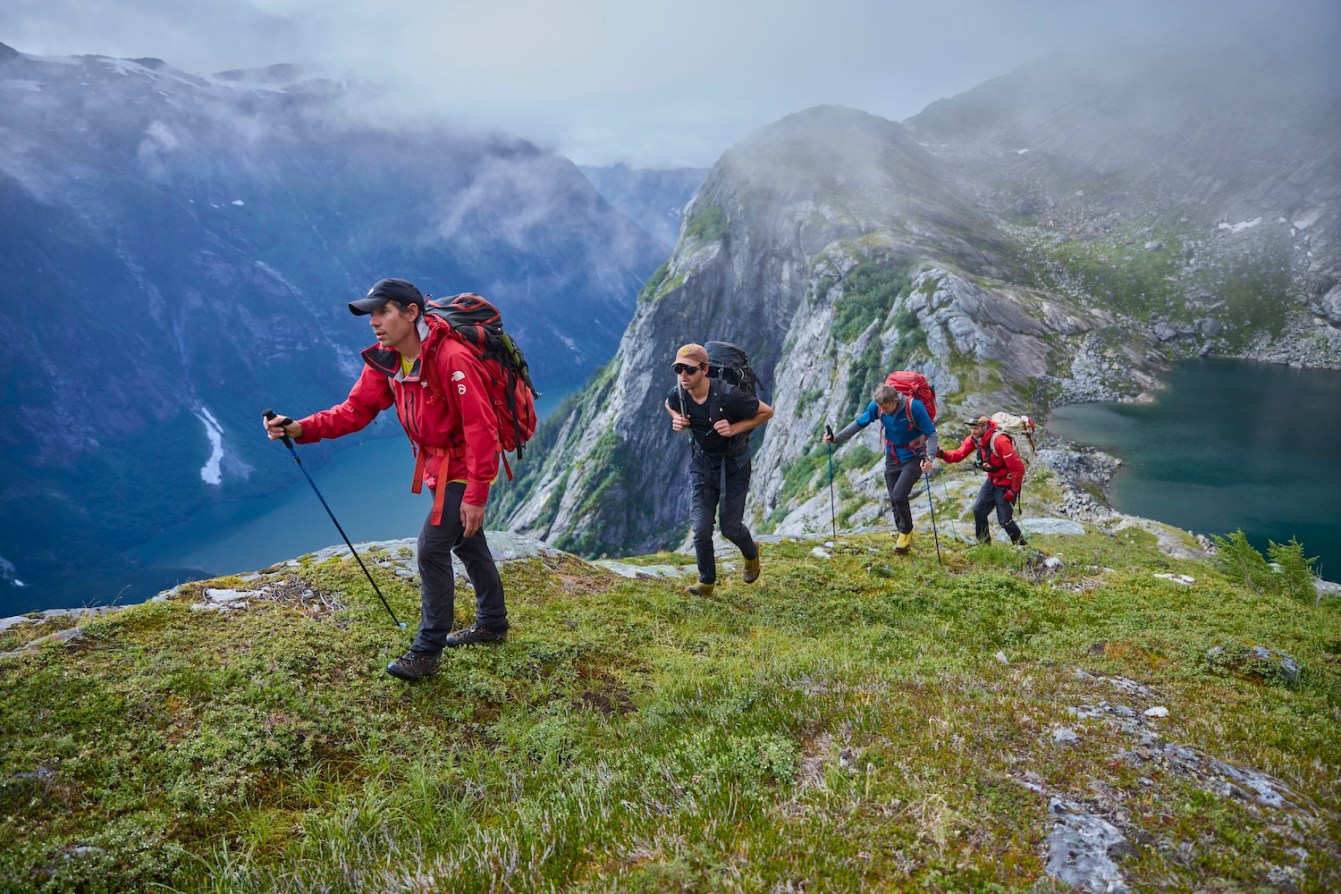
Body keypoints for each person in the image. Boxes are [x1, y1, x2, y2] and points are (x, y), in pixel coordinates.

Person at [265, 277, 508, 681]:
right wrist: (300, 429)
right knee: (467, 542)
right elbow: (354, 411)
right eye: (371, 314)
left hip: (466, 467)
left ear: (411, 313)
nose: (374, 322)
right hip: (438, 467)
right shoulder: (389, 359)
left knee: (432, 547)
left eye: (383, 312)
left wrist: (477, 494)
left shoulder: (451, 359)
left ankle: (427, 650)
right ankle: (492, 623)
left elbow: (482, 429)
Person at [663, 343, 774, 596]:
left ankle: (752, 553)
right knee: (701, 528)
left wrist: (734, 429)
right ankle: (706, 582)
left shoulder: (729, 395)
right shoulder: (679, 393)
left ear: (704, 369)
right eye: (678, 369)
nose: (683, 375)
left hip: (734, 464)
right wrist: (676, 418)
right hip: (703, 464)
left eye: (689, 370)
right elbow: (668, 403)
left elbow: (767, 411)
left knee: (730, 527)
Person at [825, 382, 939, 554]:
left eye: (886, 407)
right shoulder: (877, 406)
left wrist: (930, 458)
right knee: (893, 498)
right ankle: (902, 533)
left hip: (915, 456)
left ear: (895, 400)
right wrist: (836, 438)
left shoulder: (913, 406)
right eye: (880, 408)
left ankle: (906, 532)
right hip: (892, 455)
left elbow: (931, 434)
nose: (883, 411)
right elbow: (859, 423)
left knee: (899, 495)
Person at [936, 415, 1028, 546]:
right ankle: (984, 545)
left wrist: (1013, 491)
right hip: (992, 481)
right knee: (979, 510)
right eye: (971, 428)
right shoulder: (975, 439)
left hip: (1006, 484)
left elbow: (1017, 469)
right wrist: (942, 454)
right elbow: (958, 455)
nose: (972, 432)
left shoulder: (1000, 441)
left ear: (985, 426)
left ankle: (1022, 547)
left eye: (976, 428)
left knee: (1005, 521)